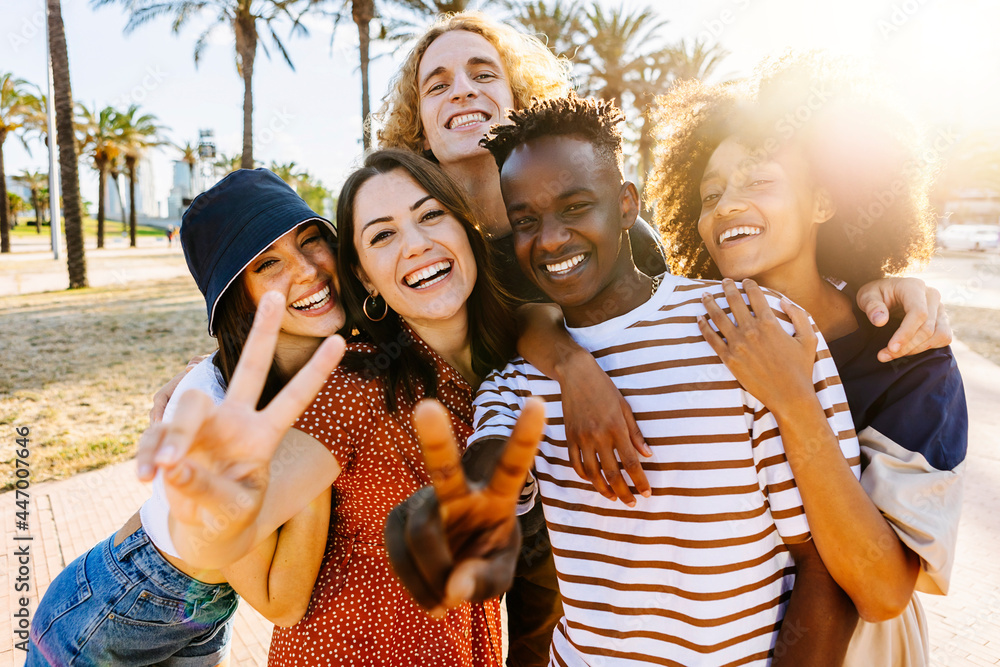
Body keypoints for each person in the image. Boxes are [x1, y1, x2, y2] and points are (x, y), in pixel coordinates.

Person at [385, 95, 861, 666]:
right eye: (526, 221)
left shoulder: (751, 327)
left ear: (628, 203)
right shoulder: (516, 381)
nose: (552, 239)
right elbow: (490, 468)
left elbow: (826, 563)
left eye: (576, 206)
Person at [134, 149, 530, 666]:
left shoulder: (517, 352)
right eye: (382, 234)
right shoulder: (354, 383)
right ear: (365, 275)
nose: (415, 244)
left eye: (431, 214)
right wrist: (207, 501)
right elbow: (233, 538)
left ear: (469, 226)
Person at [645, 53, 967, 665]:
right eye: (710, 193)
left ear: (823, 202)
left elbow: (881, 589)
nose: (727, 205)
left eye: (758, 180)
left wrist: (793, 397)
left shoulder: (905, 356)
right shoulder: (687, 341)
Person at [26, 169, 339, 667]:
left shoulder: (327, 359)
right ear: (240, 297)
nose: (306, 270)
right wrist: (321, 455)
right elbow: (283, 603)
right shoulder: (208, 410)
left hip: (204, 612)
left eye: (312, 240)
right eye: (269, 263)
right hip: (114, 609)